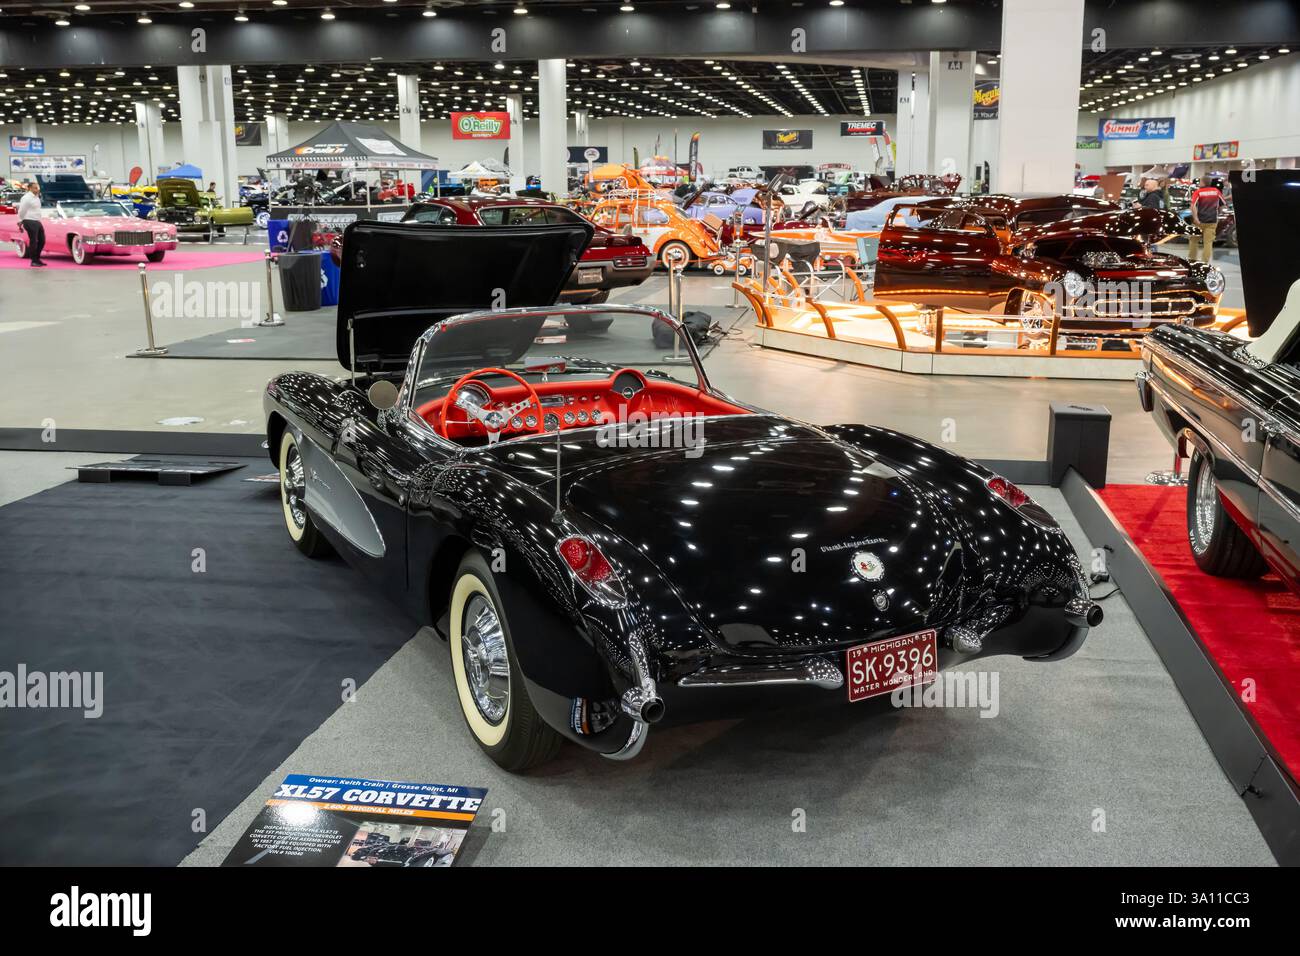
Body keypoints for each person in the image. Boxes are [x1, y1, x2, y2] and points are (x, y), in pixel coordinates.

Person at [1187, 177, 1224, 263]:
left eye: (1200, 182)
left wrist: (1195, 218)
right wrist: (1217, 212)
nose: (1199, 183)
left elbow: (1193, 206)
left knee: (1193, 241)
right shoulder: (1216, 191)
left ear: (1203, 183)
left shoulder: (1198, 192)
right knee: (1208, 243)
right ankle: (1205, 263)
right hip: (1212, 222)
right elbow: (1222, 205)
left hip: (1199, 221)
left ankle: (1192, 260)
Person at [17, 181, 46, 267]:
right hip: (29, 220)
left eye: (37, 188)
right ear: (29, 188)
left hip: (37, 220)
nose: (37, 189)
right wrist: (20, 220)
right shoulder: (26, 198)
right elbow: (21, 210)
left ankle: (37, 258)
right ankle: (33, 261)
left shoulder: (36, 197)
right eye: (35, 188)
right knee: (33, 241)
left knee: (42, 240)